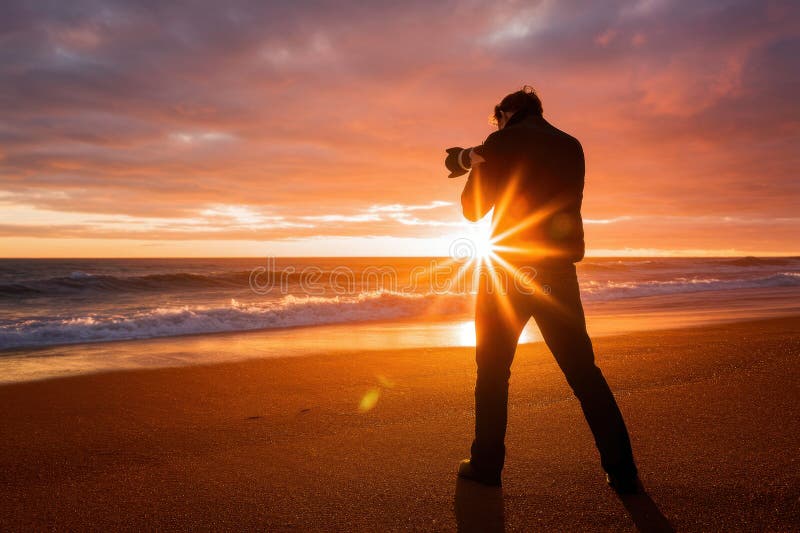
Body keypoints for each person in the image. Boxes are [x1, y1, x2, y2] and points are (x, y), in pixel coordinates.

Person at [446, 86, 640, 493]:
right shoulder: (572, 144)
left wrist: (478, 160)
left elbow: (473, 209)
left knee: (494, 371)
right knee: (584, 374)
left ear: (506, 112)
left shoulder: (502, 141)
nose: (495, 126)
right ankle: (622, 471)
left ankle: (486, 465)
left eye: (496, 119)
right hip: (558, 270)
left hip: (509, 270)